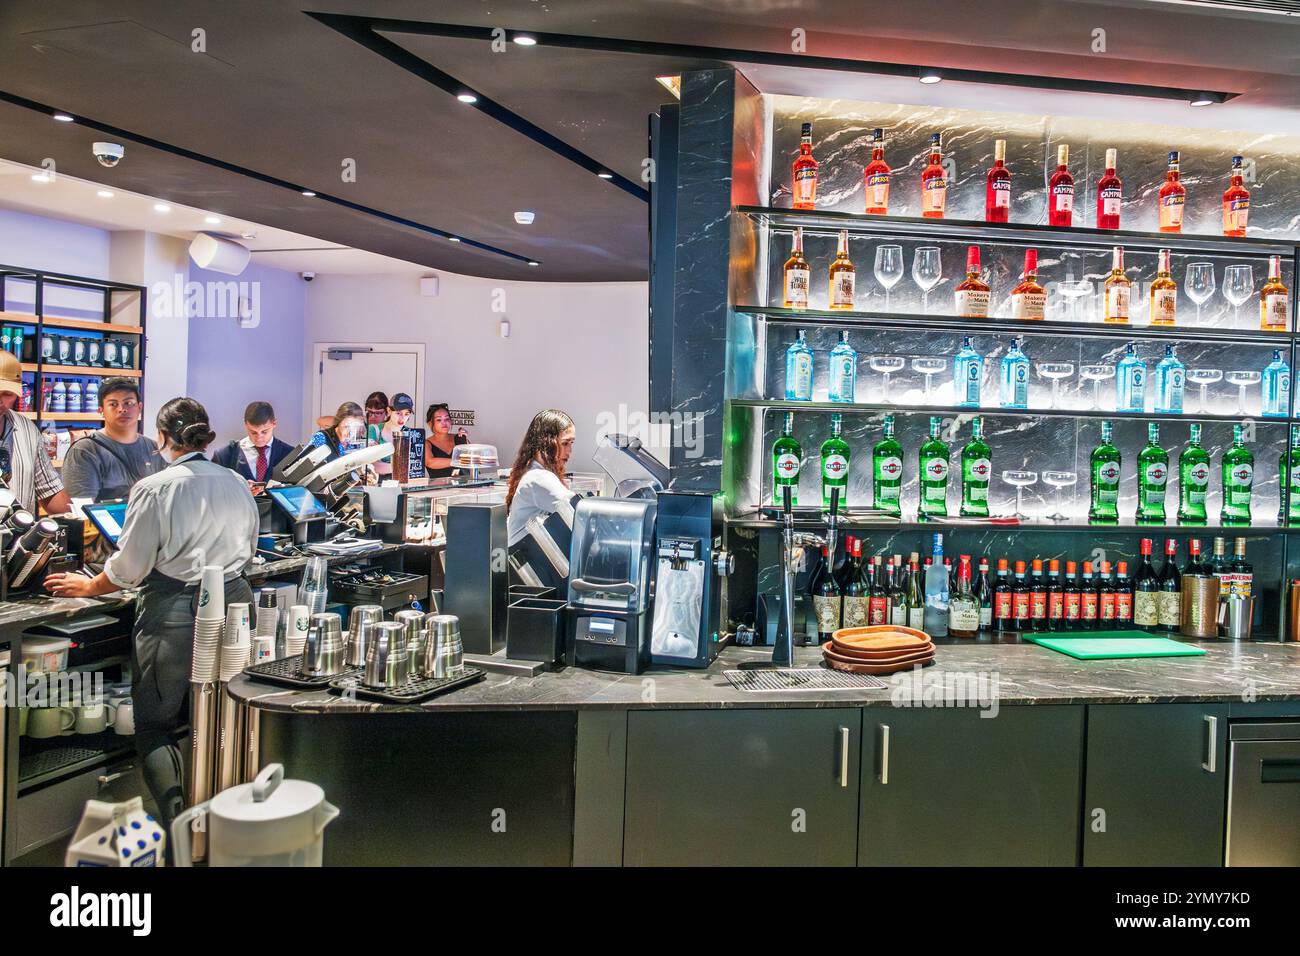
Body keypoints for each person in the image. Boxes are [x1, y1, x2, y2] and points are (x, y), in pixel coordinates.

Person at [45, 397, 259, 845]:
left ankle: (180, 831)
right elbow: (251, 548)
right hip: (237, 601)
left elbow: (128, 569)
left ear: (162, 437)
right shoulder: (237, 481)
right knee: (224, 708)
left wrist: (86, 586)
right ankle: (228, 821)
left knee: (156, 722)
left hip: (179, 610)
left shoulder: (156, 487)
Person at [61, 377, 165, 503]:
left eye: (129, 403)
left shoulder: (155, 448)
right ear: (101, 410)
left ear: (140, 407)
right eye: (113, 404)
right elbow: (83, 510)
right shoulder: (85, 451)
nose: (122, 409)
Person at [0, 351, 71, 515]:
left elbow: (50, 492)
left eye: (7, 394)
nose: (0, 401)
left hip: (18, 537)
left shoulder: (27, 429)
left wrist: (83, 517)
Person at [505, 409, 576, 547]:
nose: (569, 451)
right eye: (565, 443)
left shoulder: (535, 472)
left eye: (571, 443)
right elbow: (578, 513)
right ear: (547, 443)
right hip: (525, 563)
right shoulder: (538, 478)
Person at [212, 401, 294, 488]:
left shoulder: (290, 455)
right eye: (253, 432)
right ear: (245, 424)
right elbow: (215, 492)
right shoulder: (224, 456)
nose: (259, 438)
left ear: (274, 423)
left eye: (264, 432)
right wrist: (241, 490)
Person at [369, 392, 415, 480]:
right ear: (389, 411)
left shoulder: (410, 433)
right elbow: (373, 466)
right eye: (398, 413)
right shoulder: (374, 430)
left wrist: (387, 467)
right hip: (379, 485)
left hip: (403, 485)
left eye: (406, 414)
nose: (402, 418)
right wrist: (401, 467)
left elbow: (414, 467)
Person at [424, 402, 470, 479]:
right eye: (439, 420)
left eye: (447, 419)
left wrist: (465, 442)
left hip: (465, 487)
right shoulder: (426, 443)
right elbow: (430, 462)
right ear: (430, 423)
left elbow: (471, 462)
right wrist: (458, 461)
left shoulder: (459, 438)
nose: (444, 423)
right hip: (439, 489)